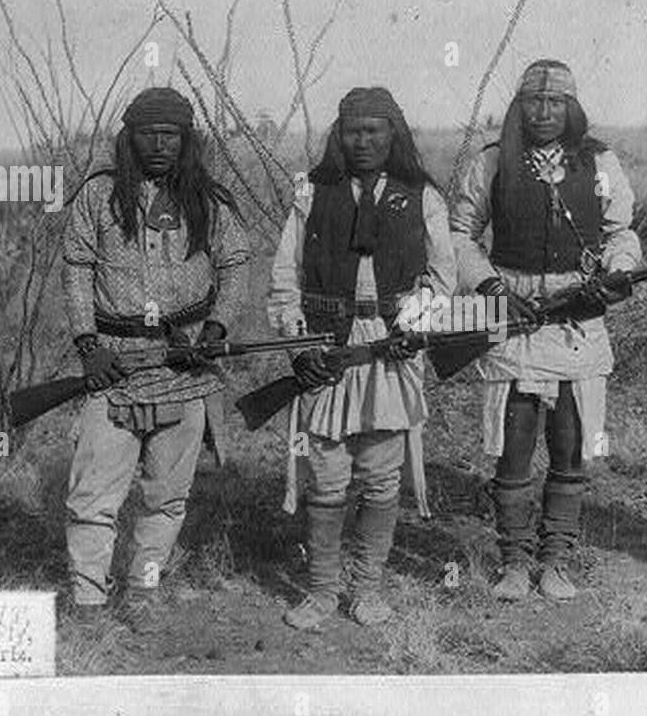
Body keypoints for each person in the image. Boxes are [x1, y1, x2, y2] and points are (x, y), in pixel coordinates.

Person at [449, 59, 641, 602]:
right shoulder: (493, 162)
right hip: (511, 318)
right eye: (534, 101)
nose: (545, 112)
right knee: (513, 443)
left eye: (556, 102)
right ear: (519, 106)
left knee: (569, 444)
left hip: (576, 317)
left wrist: (615, 272)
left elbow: (620, 232)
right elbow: (460, 233)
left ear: (572, 107)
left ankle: (555, 561)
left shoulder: (599, 161)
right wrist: (490, 287)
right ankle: (513, 561)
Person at [267, 87, 456, 629]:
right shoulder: (311, 193)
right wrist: (299, 343)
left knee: (379, 475)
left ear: (393, 133)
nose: (364, 141)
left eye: (375, 131)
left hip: (391, 351)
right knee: (326, 473)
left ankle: (367, 589)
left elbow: (444, 280)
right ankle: (322, 592)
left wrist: (415, 325)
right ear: (339, 135)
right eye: (354, 131)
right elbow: (286, 275)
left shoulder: (422, 195)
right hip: (327, 344)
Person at [61, 86, 251, 624]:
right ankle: (90, 601)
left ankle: (144, 591)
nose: (161, 144)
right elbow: (76, 267)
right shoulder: (99, 196)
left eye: (172, 134)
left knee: (166, 495)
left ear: (187, 138)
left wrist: (217, 325)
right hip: (113, 368)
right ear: (130, 136)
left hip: (185, 366)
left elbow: (236, 262)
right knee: (93, 495)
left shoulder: (208, 199)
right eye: (149, 134)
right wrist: (87, 344)